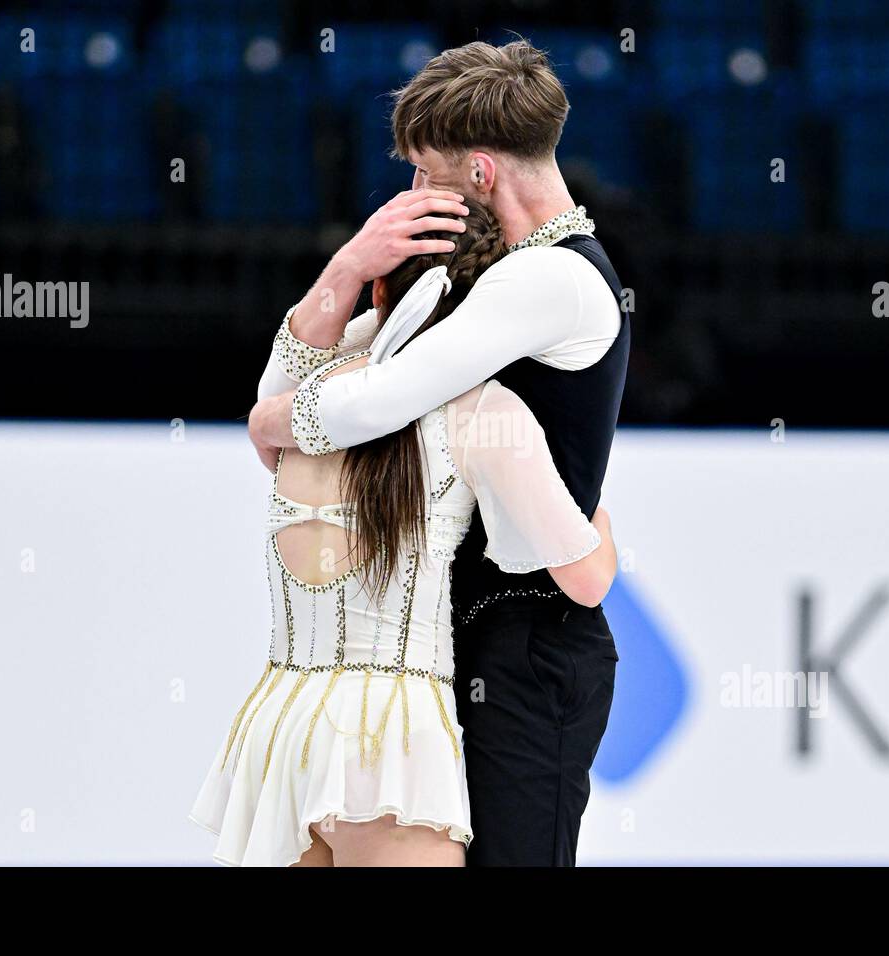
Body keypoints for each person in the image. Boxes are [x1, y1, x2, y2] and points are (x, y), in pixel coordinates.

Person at [246, 39, 630, 866]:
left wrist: (275, 420)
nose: (409, 199)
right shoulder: (473, 286)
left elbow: (380, 397)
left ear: (482, 175)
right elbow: (334, 385)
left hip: (533, 641)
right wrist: (349, 268)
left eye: (426, 175)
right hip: (459, 637)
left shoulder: (546, 280)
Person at [190, 205, 617, 866]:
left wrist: (352, 263)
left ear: (381, 290)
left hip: (280, 719)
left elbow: (271, 405)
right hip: (392, 738)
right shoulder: (483, 413)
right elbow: (584, 579)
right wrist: (596, 516)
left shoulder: (306, 399)